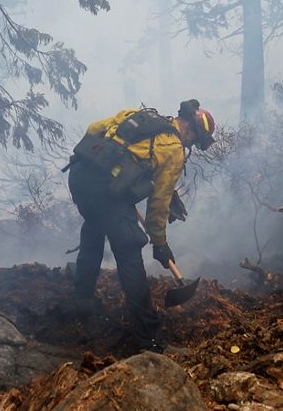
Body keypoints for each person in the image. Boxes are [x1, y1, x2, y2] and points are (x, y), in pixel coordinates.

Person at [66, 99, 217, 352]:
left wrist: (110, 168)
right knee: (130, 250)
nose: (190, 145)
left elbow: (94, 129)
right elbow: (158, 205)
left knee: (94, 226)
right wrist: (160, 245)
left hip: (80, 176)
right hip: (106, 193)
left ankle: (82, 300)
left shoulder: (140, 117)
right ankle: (150, 340)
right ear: (190, 130)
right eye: (193, 141)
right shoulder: (174, 150)